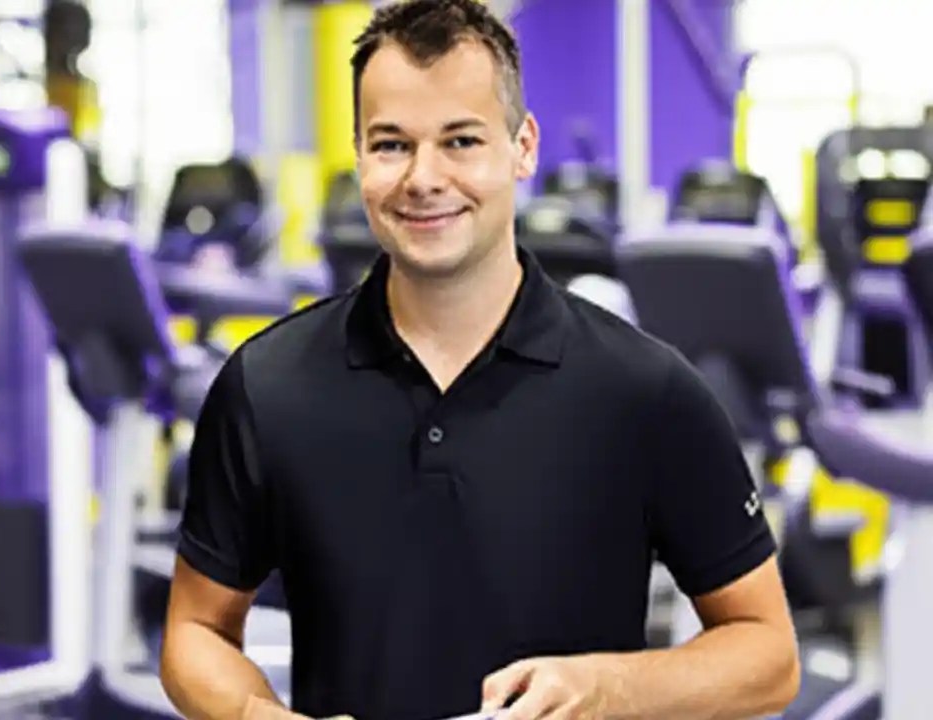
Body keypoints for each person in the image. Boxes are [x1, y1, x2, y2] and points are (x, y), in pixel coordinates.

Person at [159, 1, 801, 718]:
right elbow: (194, 630)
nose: (424, 178)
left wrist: (610, 688)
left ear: (522, 146)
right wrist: (259, 716)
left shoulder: (647, 392)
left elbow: (767, 653)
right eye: (392, 144)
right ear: (361, 155)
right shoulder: (267, 385)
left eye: (461, 141)